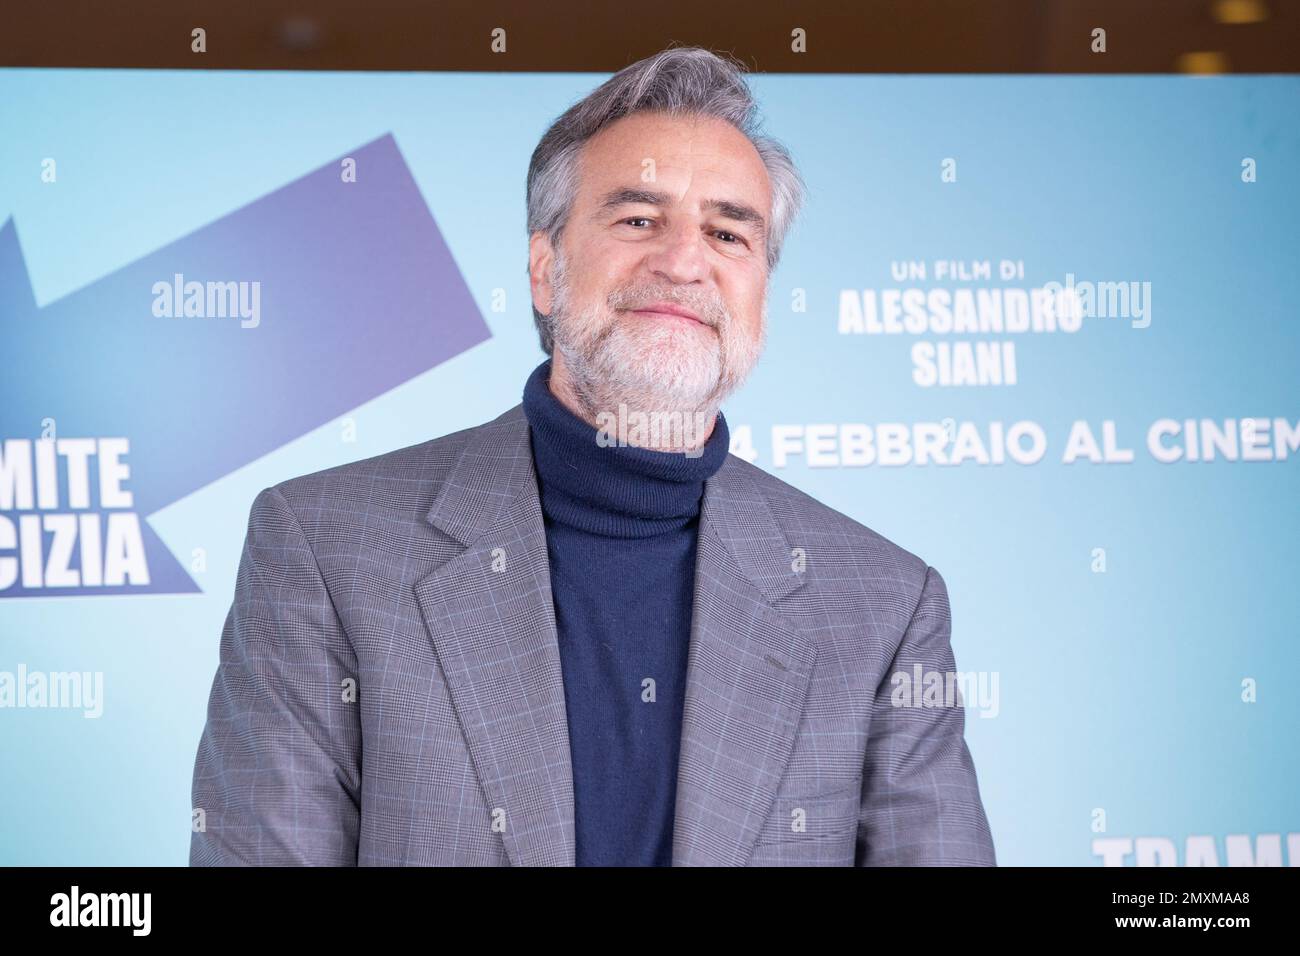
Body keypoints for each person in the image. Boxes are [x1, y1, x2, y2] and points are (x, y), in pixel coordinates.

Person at [190, 45, 995, 866]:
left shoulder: (885, 606)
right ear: (545, 271)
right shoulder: (327, 548)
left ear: (760, 289)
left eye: (727, 233)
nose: (685, 262)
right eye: (638, 219)